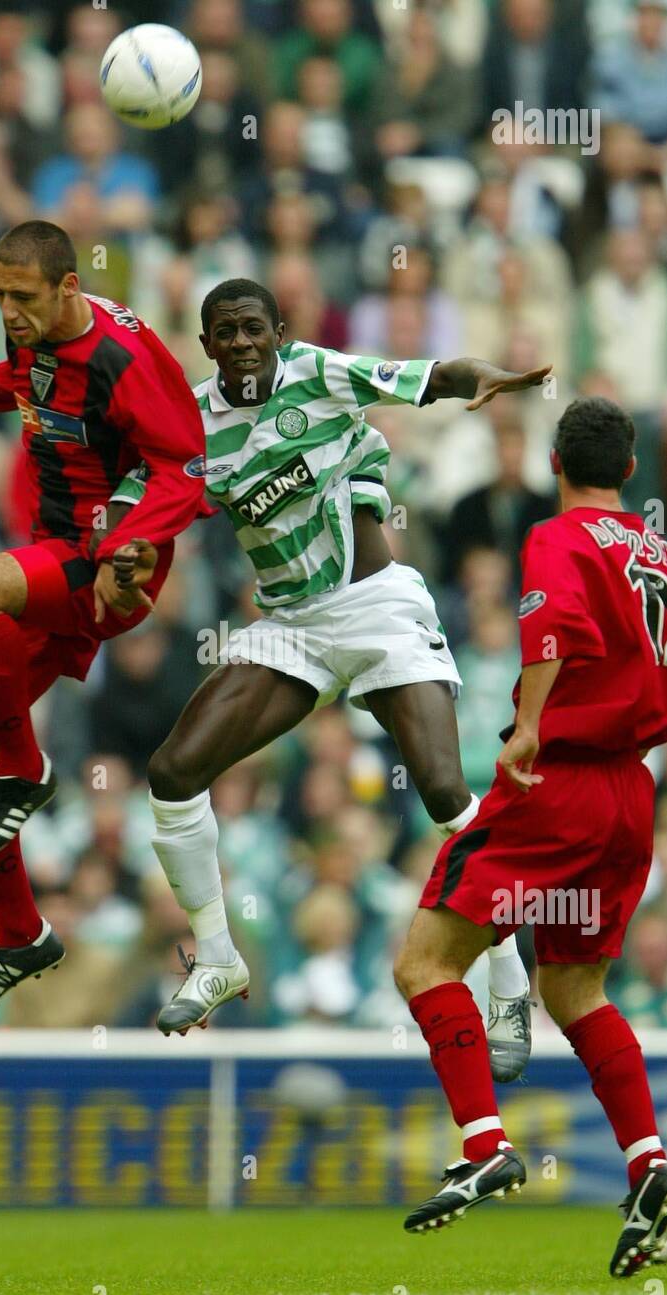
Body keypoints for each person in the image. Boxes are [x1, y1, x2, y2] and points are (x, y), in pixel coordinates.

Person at [110, 277, 549, 1061]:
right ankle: (216, 955)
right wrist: (124, 550)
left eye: (253, 328)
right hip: (290, 626)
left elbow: (426, 378)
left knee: (445, 792)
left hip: (376, 607)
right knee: (172, 773)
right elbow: (136, 512)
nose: (241, 342)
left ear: (278, 332)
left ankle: (510, 987)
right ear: (206, 345)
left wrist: (478, 375)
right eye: (225, 332)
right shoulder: (192, 425)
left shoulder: (318, 372)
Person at [0, 220, 206, 1023]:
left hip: (107, 560)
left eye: (21, 295)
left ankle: (27, 769)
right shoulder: (39, 337)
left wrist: (129, 547)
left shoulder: (125, 357)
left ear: (69, 288)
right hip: (57, 555)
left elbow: (187, 464)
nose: (6, 309)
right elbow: (26, 383)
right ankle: (21, 932)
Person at [393, 396, 667, 1279]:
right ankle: (649, 1163)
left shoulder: (558, 538)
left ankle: (482, 1146)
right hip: (631, 793)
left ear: (555, 464)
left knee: (425, 962)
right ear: (629, 469)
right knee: (574, 988)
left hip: (558, 782)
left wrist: (526, 730)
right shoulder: (657, 553)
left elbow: (552, 630)